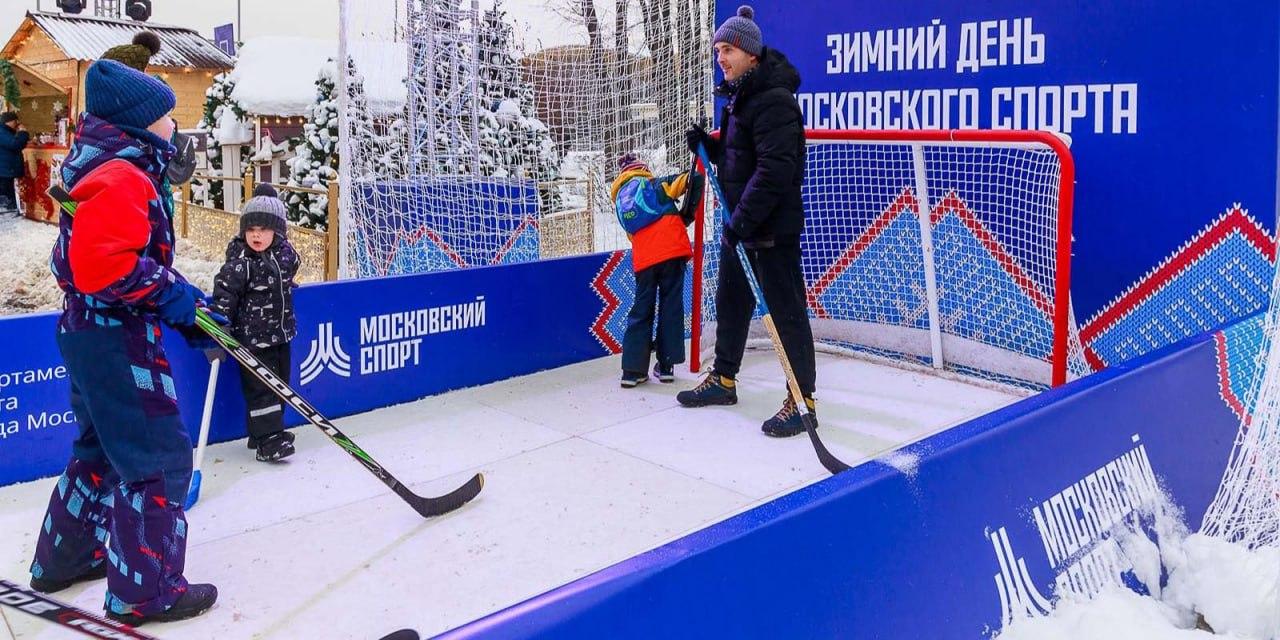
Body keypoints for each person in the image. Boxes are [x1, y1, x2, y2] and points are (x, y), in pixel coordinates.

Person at [30, 58, 218, 625]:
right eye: (167, 119)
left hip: (91, 332)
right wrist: (168, 295)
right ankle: (144, 591)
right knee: (157, 461)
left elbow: (121, 257)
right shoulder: (124, 175)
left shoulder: (103, 166)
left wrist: (179, 296)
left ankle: (62, 560)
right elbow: (101, 270)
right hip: (116, 340)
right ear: (140, 124)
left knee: (100, 452)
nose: (174, 129)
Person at [677, 5, 818, 438]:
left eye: (729, 50)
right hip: (742, 224)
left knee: (785, 312)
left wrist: (741, 223)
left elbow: (774, 170)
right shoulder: (740, 98)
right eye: (718, 49)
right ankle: (724, 379)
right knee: (731, 303)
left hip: (769, 227)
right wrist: (710, 147)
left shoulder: (773, 100)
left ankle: (802, 400)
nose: (722, 57)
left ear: (752, 54)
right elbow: (742, 160)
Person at [208, 184, 301, 461]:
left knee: (281, 386)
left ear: (278, 233)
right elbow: (223, 293)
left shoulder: (281, 258)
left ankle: (262, 434)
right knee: (262, 392)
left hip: (281, 335)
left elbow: (290, 264)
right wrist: (219, 326)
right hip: (252, 342)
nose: (256, 235)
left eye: (264, 229)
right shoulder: (241, 263)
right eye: (250, 229)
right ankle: (268, 442)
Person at [610, 153, 701, 387]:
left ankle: (632, 371)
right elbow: (692, 180)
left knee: (641, 309)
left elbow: (633, 234)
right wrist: (685, 214)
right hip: (672, 252)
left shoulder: (622, 202)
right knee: (670, 307)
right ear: (643, 170)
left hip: (645, 260)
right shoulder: (655, 185)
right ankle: (667, 365)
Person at [0, 111, 29, 213]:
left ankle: (10, 210)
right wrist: (23, 132)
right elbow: (15, 144)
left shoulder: (6, 132)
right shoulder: (2, 132)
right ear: (9, 121)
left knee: (9, 194)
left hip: (7, 169)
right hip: (5, 170)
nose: (17, 123)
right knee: (7, 195)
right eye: (15, 120)